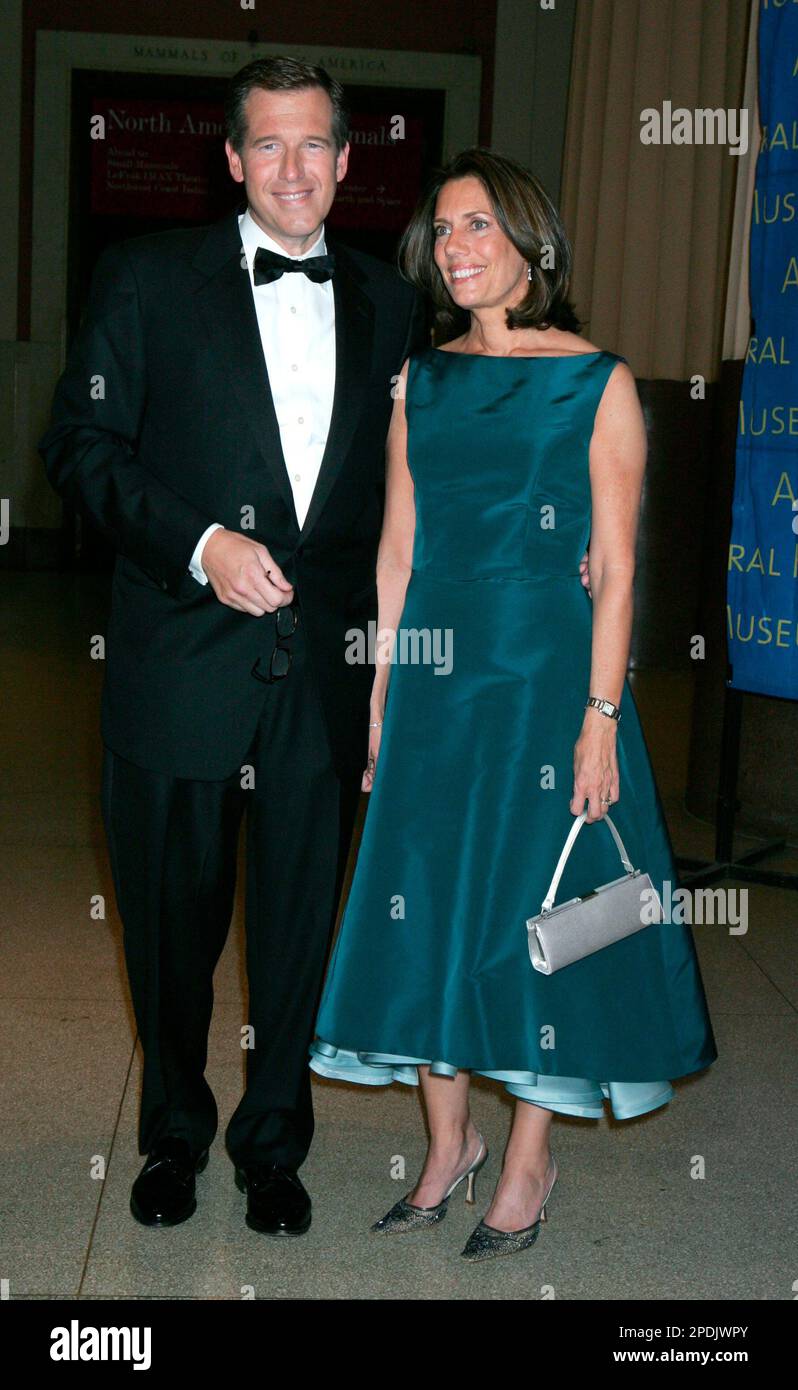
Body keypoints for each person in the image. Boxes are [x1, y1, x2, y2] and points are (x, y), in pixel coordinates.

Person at [39, 56, 427, 1237]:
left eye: (316, 146)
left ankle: (273, 1142)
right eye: (268, 145)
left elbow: (424, 491)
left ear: (349, 162)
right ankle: (170, 1133)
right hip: (177, 666)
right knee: (167, 923)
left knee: (300, 926)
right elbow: (81, 445)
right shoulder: (147, 279)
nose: (293, 168)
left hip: (323, 680)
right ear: (230, 159)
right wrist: (199, 541)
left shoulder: (395, 304)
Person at [308, 147, 718, 1262]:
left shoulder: (598, 380)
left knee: (536, 915)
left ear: (530, 242)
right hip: (439, 684)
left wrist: (601, 716)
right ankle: (449, 1148)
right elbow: (398, 551)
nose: (456, 247)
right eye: (443, 232)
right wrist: (385, 693)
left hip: (546, 682)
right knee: (429, 902)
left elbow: (621, 571)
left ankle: (528, 1152)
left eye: (477, 225)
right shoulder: (421, 379)